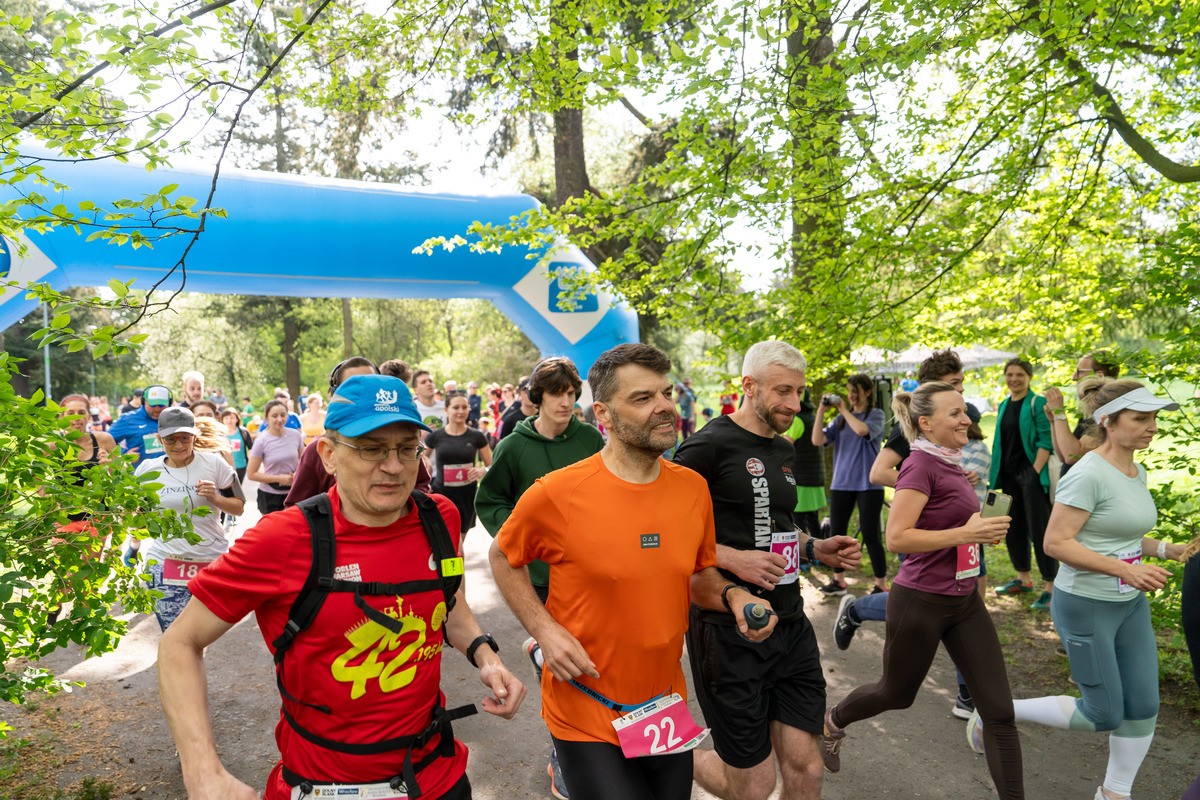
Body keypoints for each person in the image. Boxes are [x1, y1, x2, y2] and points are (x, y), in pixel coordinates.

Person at [156, 374, 526, 800]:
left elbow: (448, 600)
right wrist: (202, 772)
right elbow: (178, 644)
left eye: (407, 448)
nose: (393, 466)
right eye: (371, 448)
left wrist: (485, 655)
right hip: (323, 785)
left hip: (437, 776)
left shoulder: (438, 516)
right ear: (328, 455)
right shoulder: (281, 539)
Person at [490, 343, 774, 800]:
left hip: (662, 705)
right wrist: (543, 629)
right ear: (603, 413)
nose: (664, 407)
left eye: (664, 393)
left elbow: (698, 575)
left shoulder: (692, 488)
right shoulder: (559, 493)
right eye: (643, 398)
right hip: (584, 707)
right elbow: (503, 557)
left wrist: (735, 597)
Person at [970, 379, 1187, 800]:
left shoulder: (1135, 469)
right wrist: (1125, 572)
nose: (1152, 427)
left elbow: (1116, 536)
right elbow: (1056, 544)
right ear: (1108, 421)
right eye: (1141, 418)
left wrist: (1167, 549)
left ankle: (1113, 793)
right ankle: (995, 712)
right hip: (1086, 605)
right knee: (1103, 713)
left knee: (1143, 707)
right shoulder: (1086, 474)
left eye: (1155, 418)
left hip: (1128, 606)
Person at [672, 341, 861, 800]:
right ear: (749, 386)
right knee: (754, 787)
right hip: (728, 630)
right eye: (783, 391)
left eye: (799, 392)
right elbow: (659, 534)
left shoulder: (783, 448)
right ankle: (678, 753)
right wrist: (731, 558)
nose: (794, 405)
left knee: (807, 769)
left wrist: (815, 546)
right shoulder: (705, 447)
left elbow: (774, 526)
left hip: (790, 625)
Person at [822, 382, 1023, 800]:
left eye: (966, 411)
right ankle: (832, 722)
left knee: (1000, 713)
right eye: (955, 414)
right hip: (921, 601)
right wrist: (965, 530)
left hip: (964, 600)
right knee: (895, 694)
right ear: (926, 423)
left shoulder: (951, 463)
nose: (966, 418)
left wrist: (980, 527)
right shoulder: (918, 465)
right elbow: (897, 538)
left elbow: (945, 520)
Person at [477, 356, 605, 799]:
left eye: (572, 393)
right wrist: (517, 542)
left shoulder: (591, 438)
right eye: (556, 393)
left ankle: (598, 738)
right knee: (563, 665)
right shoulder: (515, 446)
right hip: (541, 578)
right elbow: (489, 500)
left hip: (591, 570)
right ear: (538, 397)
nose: (566, 401)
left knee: (592, 657)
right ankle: (564, 752)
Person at [130, 407, 244, 630]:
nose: (178, 445)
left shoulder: (215, 464)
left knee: (197, 637)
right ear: (159, 439)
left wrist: (215, 497)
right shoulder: (146, 470)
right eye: (170, 439)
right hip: (165, 562)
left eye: (184, 438)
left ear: (194, 436)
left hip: (209, 562)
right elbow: (138, 522)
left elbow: (239, 506)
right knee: (174, 635)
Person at [990, 357, 1056, 610]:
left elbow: (1045, 439)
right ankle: (1023, 579)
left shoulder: (1037, 402)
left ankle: (1050, 586)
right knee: (1012, 529)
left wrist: (1033, 472)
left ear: (1029, 377)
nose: (1014, 379)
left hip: (1031, 477)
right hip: (1007, 478)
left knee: (1040, 531)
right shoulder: (1004, 404)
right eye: (1009, 374)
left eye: (1019, 374)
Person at [812, 374, 886, 594]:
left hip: (869, 485)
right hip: (842, 483)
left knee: (871, 535)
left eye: (856, 391)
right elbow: (817, 440)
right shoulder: (840, 420)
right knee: (837, 534)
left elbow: (863, 431)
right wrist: (821, 412)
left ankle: (881, 585)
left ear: (868, 392)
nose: (852, 395)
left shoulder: (876, 415)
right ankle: (839, 581)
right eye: (849, 391)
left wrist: (843, 409)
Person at [425, 392, 492, 536]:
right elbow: (420, 463)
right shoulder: (436, 436)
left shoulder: (477, 436)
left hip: (466, 497)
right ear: (446, 409)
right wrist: (425, 485)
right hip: (442, 494)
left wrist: (483, 470)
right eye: (456, 407)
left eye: (464, 407)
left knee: (460, 541)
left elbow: (492, 465)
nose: (461, 411)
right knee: (445, 540)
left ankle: (460, 560)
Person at [1044, 351, 1120, 476]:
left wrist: (1059, 413)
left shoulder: (1105, 412)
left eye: (1080, 372)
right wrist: (1053, 420)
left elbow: (1072, 456)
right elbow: (1063, 456)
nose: (1074, 377)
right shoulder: (1090, 411)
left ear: (1099, 375)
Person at [247, 399, 304, 516]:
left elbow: (304, 461)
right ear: (267, 418)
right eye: (274, 416)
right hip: (270, 496)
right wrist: (279, 478)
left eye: (283, 415)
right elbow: (251, 474)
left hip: (294, 493)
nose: (279, 419)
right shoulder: (261, 441)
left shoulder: (295, 435)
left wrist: (297, 474)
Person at [108, 384, 173, 467]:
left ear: (169, 403)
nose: (157, 408)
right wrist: (123, 454)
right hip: (139, 476)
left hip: (169, 475)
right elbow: (105, 441)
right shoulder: (128, 419)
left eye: (161, 405)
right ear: (143, 402)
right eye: (152, 405)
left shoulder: (175, 419)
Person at [222, 408, 253, 483]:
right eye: (226, 418)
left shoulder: (243, 432)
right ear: (222, 419)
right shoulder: (219, 433)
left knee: (237, 488)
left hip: (240, 466)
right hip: (223, 467)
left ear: (237, 419)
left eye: (232, 418)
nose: (229, 421)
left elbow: (252, 449)